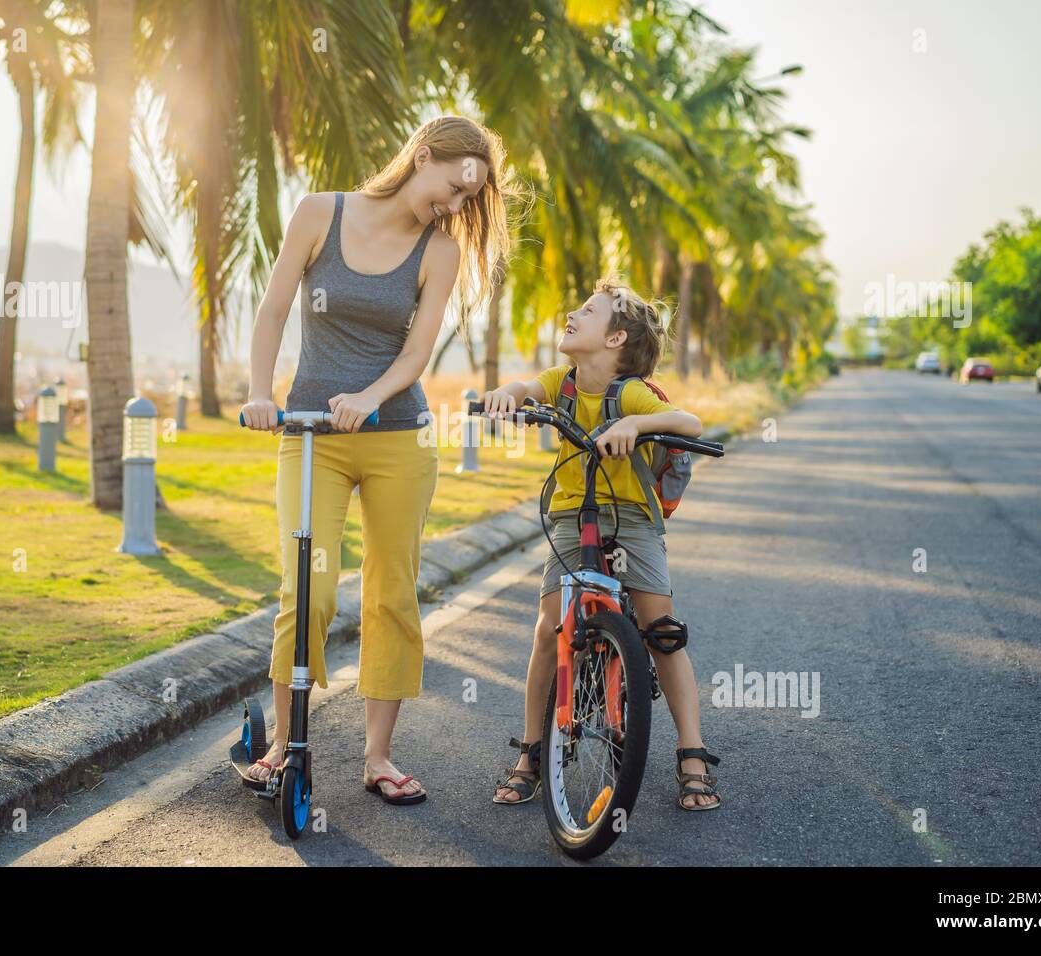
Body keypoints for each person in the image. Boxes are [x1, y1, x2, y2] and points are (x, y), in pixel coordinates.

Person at [239, 116, 516, 805]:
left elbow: (417, 352)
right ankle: (282, 745)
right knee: (308, 586)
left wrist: (368, 396)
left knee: (393, 595)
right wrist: (257, 392)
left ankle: (379, 757)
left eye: (466, 202)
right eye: (453, 188)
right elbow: (273, 311)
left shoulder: (439, 249)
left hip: (400, 437)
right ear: (422, 157)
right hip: (311, 436)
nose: (454, 207)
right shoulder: (318, 214)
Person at [479, 277, 723, 811]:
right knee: (550, 628)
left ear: (615, 340)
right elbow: (528, 389)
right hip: (571, 513)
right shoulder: (562, 382)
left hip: (632, 516)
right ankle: (531, 751)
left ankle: (693, 754)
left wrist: (636, 423)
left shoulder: (627, 391)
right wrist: (507, 395)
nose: (573, 313)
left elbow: (689, 421)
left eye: (588, 311)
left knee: (661, 632)